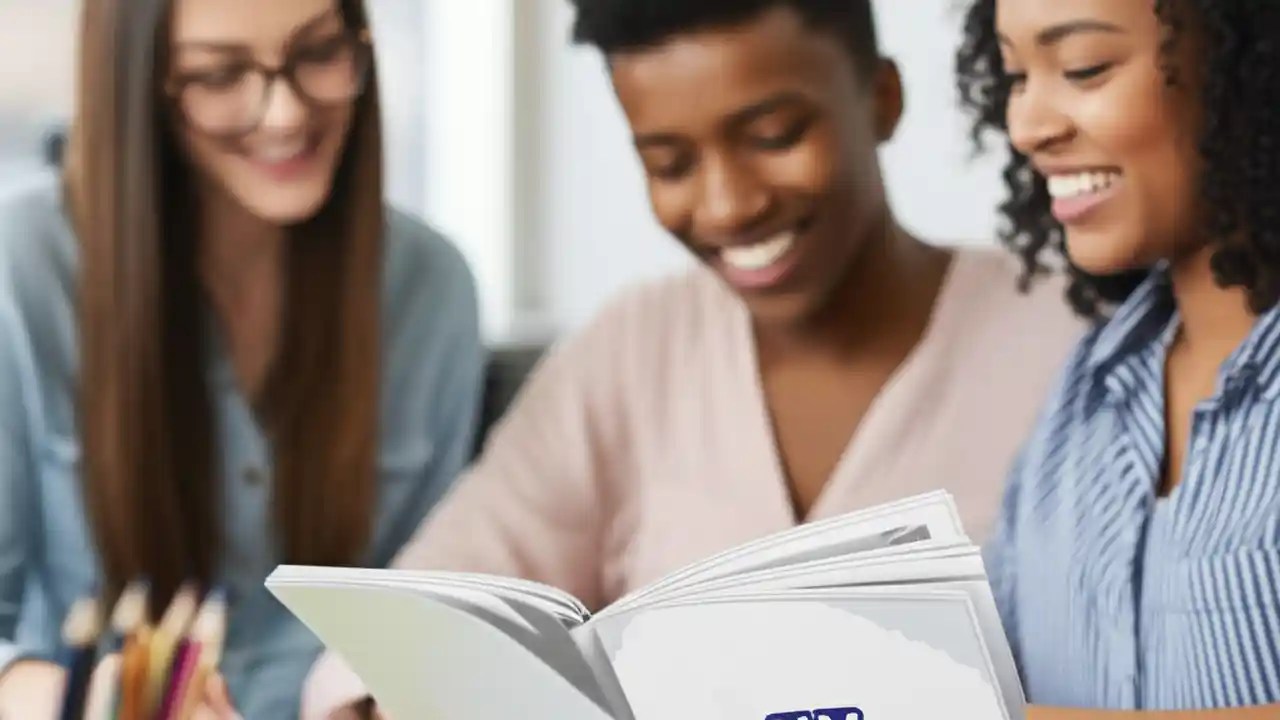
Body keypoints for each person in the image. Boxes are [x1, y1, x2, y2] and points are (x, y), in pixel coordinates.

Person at [304, 0, 1085, 716]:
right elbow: (427, 600)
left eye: (775, 137)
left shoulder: (1075, 345)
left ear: (882, 98)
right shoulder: (633, 350)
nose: (726, 205)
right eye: (670, 164)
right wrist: (377, 698)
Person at [0, 0, 484, 716]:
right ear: (137, 83)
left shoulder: (431, 289)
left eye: (318, 52)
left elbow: (426, 610)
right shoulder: (22, 272)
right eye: (220, 75)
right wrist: (73, 699)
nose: (285, 114)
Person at [956, 0, 1280, 715]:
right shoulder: (1081, 400)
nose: (1027, 126)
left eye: (1084, 67)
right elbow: (983, 679)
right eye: (1015, 75)